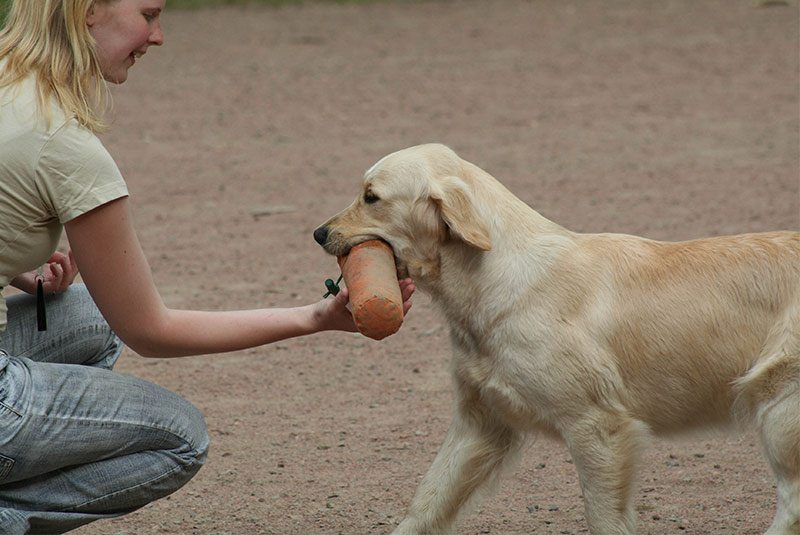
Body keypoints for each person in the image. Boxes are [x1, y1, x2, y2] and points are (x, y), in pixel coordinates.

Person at [0, 1, 415, 533]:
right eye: (148, 13)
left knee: (95, 319)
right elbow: (152, 331)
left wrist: (18, 268)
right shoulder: (66, 147)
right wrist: (315, 318)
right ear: (87, 9)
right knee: (179, 436)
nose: (159, 35)